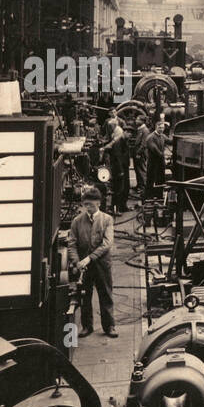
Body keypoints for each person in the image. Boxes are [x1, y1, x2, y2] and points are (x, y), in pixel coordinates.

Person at [67, 187, 117, 338]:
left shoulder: (107, 220)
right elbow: (72, 244)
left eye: (91, 204)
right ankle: (87, 326)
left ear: (99, 203)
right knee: (84, 296)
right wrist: (77, 262)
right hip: (84, 267)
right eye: (85, 204)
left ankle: (109, 326)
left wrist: (89, 258)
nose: (87, 207)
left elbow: (107, 243)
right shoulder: (77, 221)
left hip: (101, 265)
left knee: (105, 294)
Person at [106, 118, 131, 212]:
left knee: (126, 188)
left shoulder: (125, 141)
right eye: (129, 133)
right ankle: (115, 208)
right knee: (118, 189)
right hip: (119, 169)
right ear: (124, 132)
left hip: (125, 168)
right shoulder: (118, 142)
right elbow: (118, 157)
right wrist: (120, 171)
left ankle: (123, 206)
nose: (130, 135)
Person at [145, 121, 170, 199]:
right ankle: (148, 197)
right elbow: (155, 150)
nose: (161, 129)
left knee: (161, 179)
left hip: (160, 162)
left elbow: (170, 141)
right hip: (153, 162)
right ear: (156, 127)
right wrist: (165, 158)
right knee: (150, 179)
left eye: (163, 128)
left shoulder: (163, 136)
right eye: (160, 127)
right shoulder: (150, 137)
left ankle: (158, 196)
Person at [132, 118, 151, 196]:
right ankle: (139, 185)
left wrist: (139, 153)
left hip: (141, 153)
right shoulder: (140, 129)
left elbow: (144, 144)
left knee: (141, 170)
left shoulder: (145, 130)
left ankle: (143, 187)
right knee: (137, 169)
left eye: (137, 120)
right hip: (137, 151)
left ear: (142, 121)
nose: (136, 121)